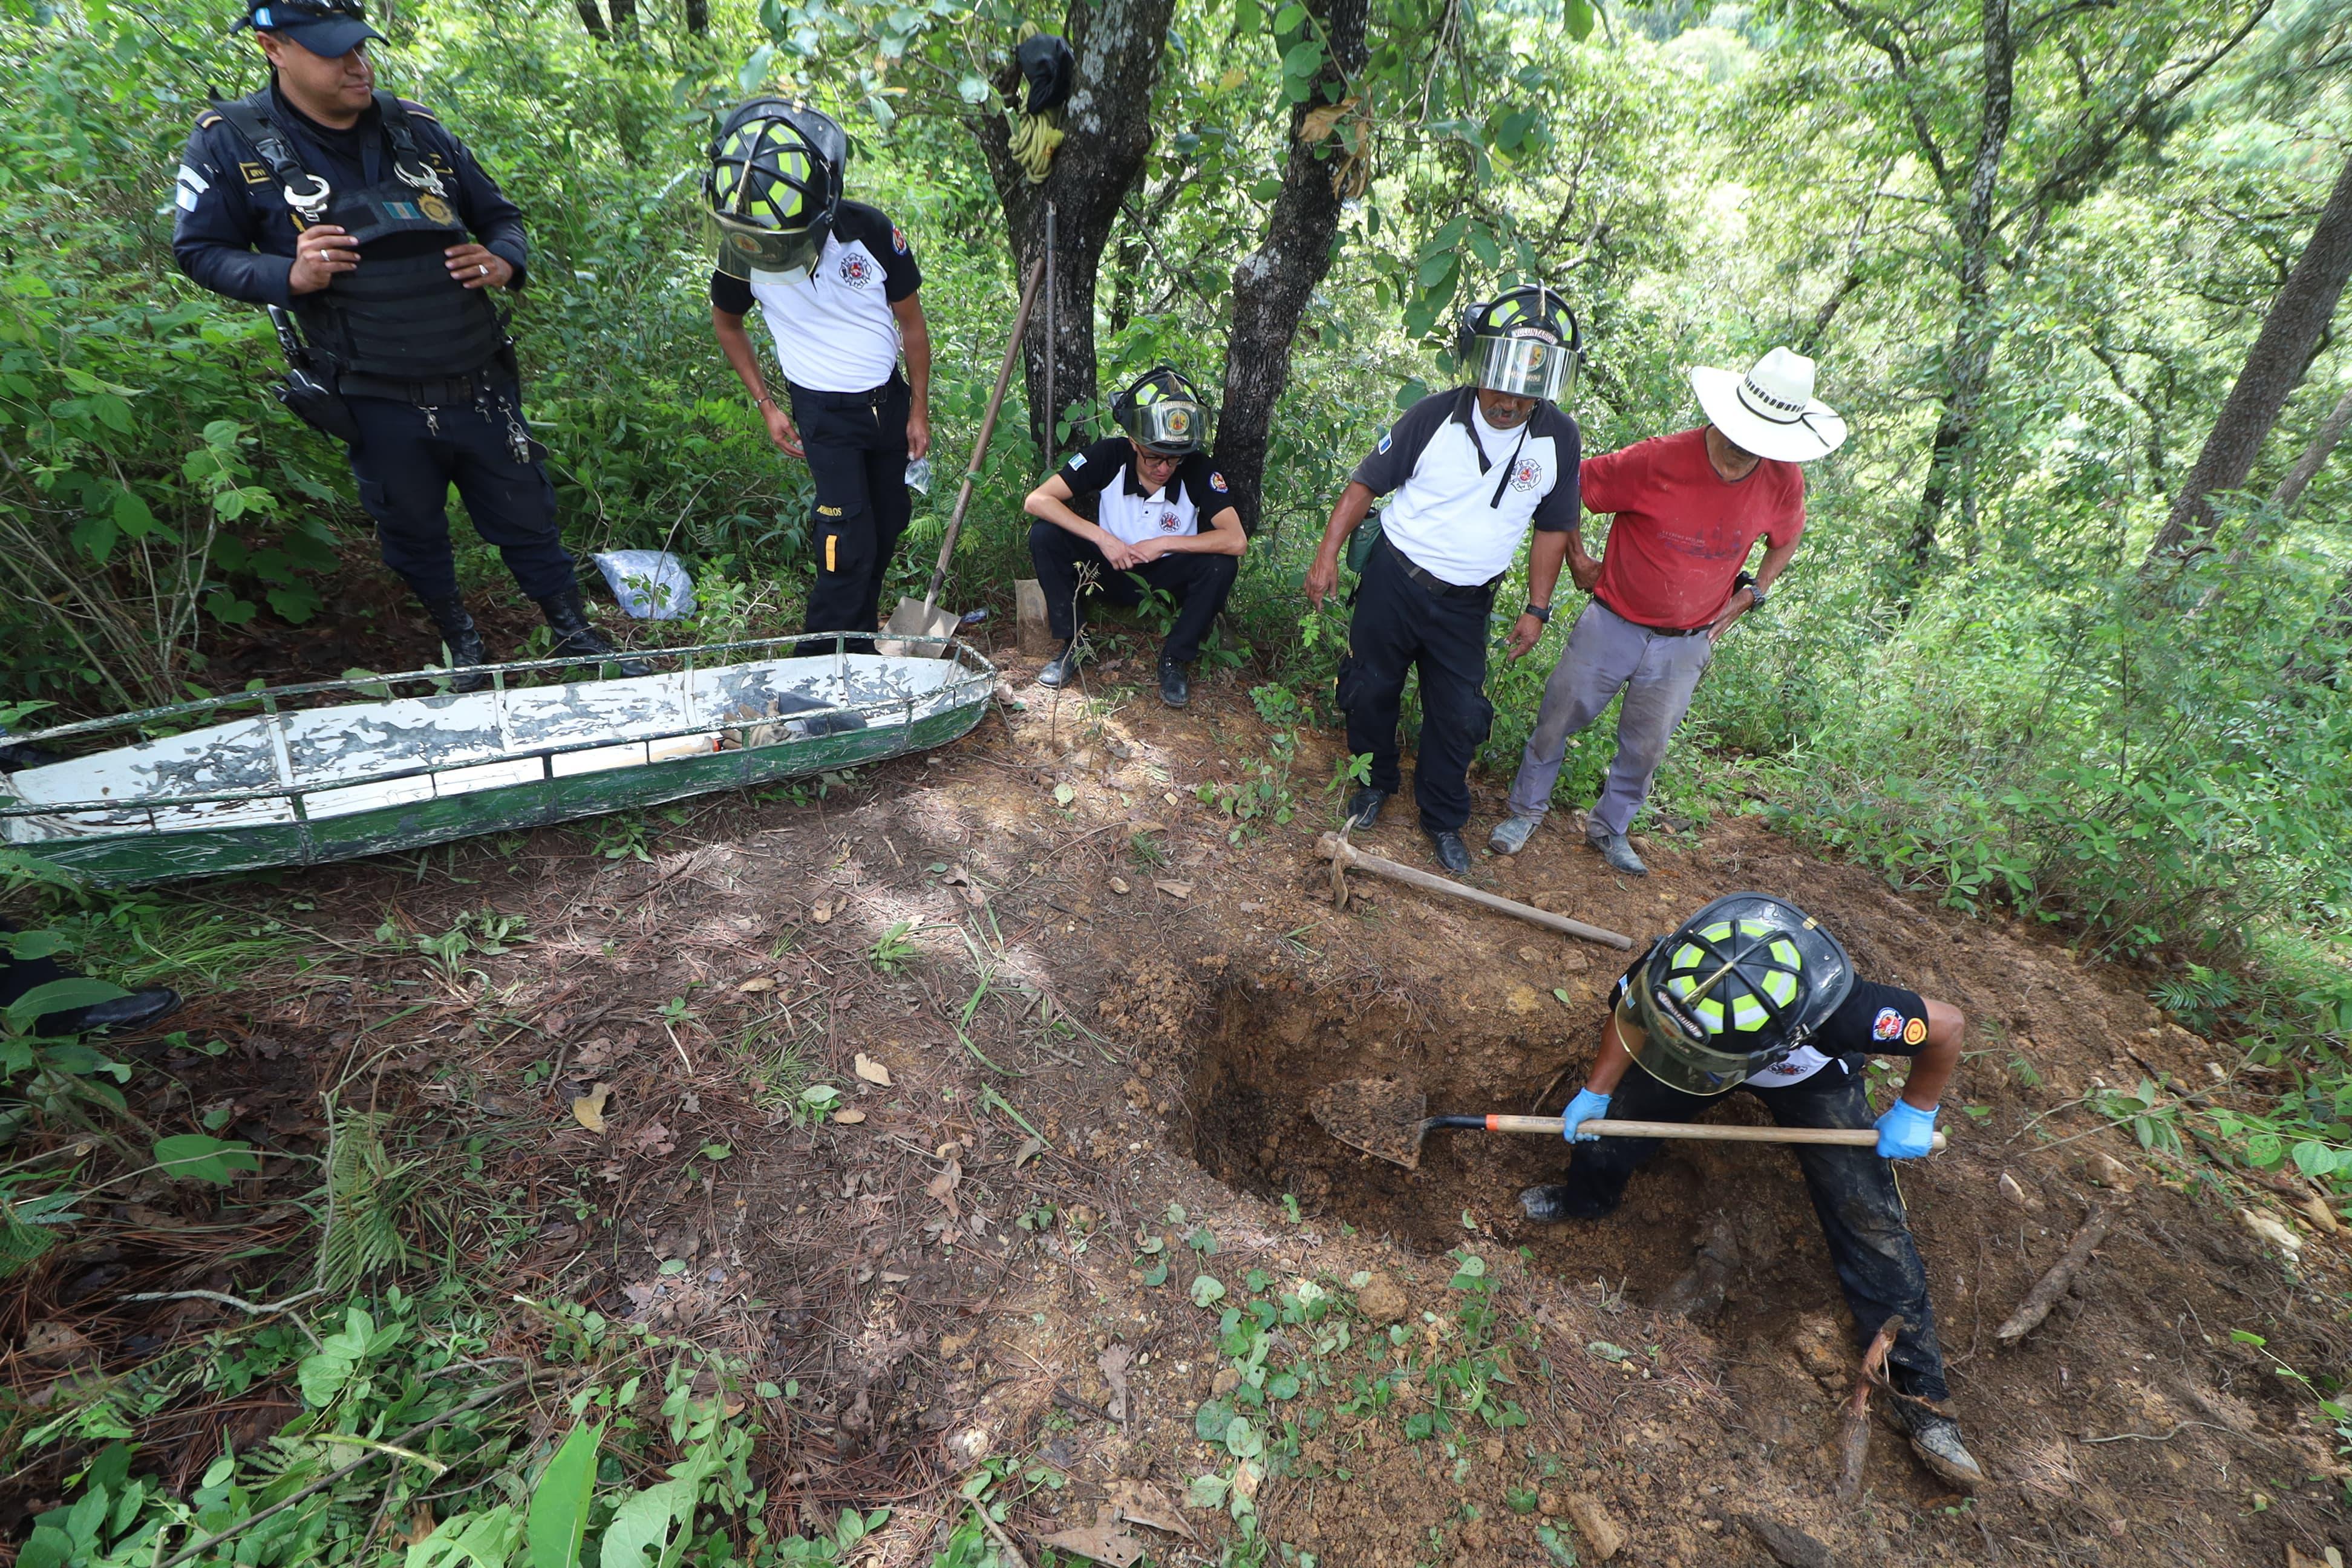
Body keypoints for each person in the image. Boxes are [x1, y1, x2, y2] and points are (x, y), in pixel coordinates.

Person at [172, 0, 641, 690]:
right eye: (334, 52)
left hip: (476, 373)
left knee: (527, 512)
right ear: (273, 48)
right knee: (413, 530)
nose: (357, 65)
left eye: (361, 47)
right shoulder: (229, 142)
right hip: (372, 389)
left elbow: (501, 217)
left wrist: (505, 260)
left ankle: (573, 630)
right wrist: (288, 274)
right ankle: (464, 645)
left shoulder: (416, 129)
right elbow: (200, 250)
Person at [1520, 893, 1983, 1491]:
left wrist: (1916, 1110)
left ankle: (1922, 1396)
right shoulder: (1677, 973)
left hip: (1809, 1077)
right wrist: (1598, 1093)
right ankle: (1586, 1200)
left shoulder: (1843, 1009)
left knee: (1868, 1217)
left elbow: (1945, 1027)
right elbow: (1630, 1017)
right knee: (1604, 1139)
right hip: (1693, 1062)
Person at [1487, 347, 1844, 874]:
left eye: (1764, 441)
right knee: (1558, 716)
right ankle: (1525, 811)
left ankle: (1610, 829)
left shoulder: (1783, 480)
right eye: (1745, 432)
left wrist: (1754, 591)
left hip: (1687, 639)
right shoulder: (1659, 459)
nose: (1749, 448)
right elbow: (1573, 485)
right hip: (1611, 620)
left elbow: (1786, 539)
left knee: (1646, 745)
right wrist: (1579, 558)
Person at [1304, 286, 1583, 874]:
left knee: (1458, 713)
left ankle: (1442, 817)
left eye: (1526, 389)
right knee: (1370, 687)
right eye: (1500, 383)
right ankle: (1373, 784)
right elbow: (1364, 487)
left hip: (1467, 602)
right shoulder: (1433, 416)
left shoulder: (1558, 438)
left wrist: (1537, 608)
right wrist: (1326, 558)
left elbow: (1554, 527)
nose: (1509, 401)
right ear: (1477, 365)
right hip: (1394, 579)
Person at [705, 99, 931, 655]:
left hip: (887, 404)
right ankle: (814, 663)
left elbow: (913, 325)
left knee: (886, 524)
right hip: (823, 415)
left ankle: (857, 647)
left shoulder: (871, 232)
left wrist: (920, 410)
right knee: (844, 538)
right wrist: (767, 405)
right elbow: (727, 324)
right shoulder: (747, 242)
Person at [1022, 367, 1245, 707]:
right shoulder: (1109, 456)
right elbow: (1037, 501)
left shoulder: (1198, 469)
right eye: (1153, 457)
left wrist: (1164, 544)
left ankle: (1175, 659)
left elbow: (1236, 540)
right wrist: (1102, 538)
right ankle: (1074, 642)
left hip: (1167, 577)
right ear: (1134, 443)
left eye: (1173, 459)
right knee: (1044, 535)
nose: (1164, 468)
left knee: (1221, 565)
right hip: (1109, 566)